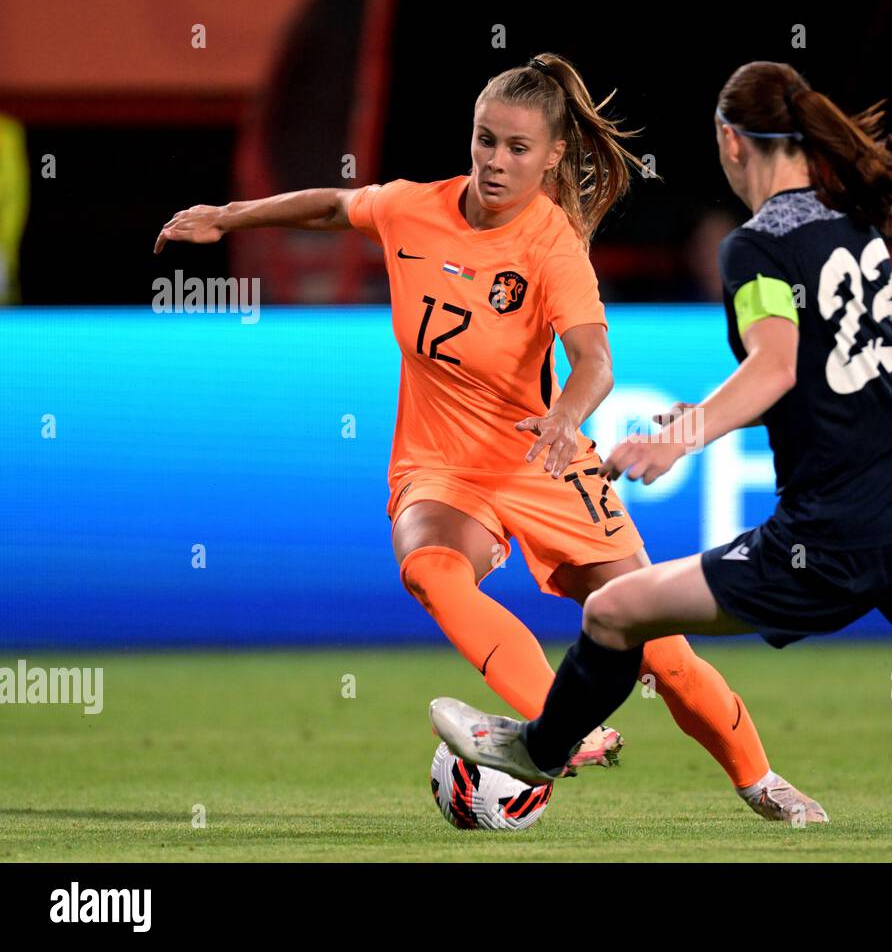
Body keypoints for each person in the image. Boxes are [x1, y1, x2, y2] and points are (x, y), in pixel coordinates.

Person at [430, 61, 892, 841]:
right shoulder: (849, 219)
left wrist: (678, 437)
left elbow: (776, 364)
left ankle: (537, 749)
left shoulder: (755, 248)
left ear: (732, 142)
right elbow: (825, 373)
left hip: (839, 522)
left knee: (615, 611)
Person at [155, 53, 824, 823]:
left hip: (545, 460)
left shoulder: (551, 246)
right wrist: (227, 215)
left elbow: (595, 362)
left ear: (551, 157)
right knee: (432, 570)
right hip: (441, 464)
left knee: (659, 649)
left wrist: (568, 415)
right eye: (485, 141)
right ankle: (561, 730)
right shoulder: (412, 207)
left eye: (517, 148)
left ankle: (761, 781)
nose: (496, 162)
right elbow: (332, 206)